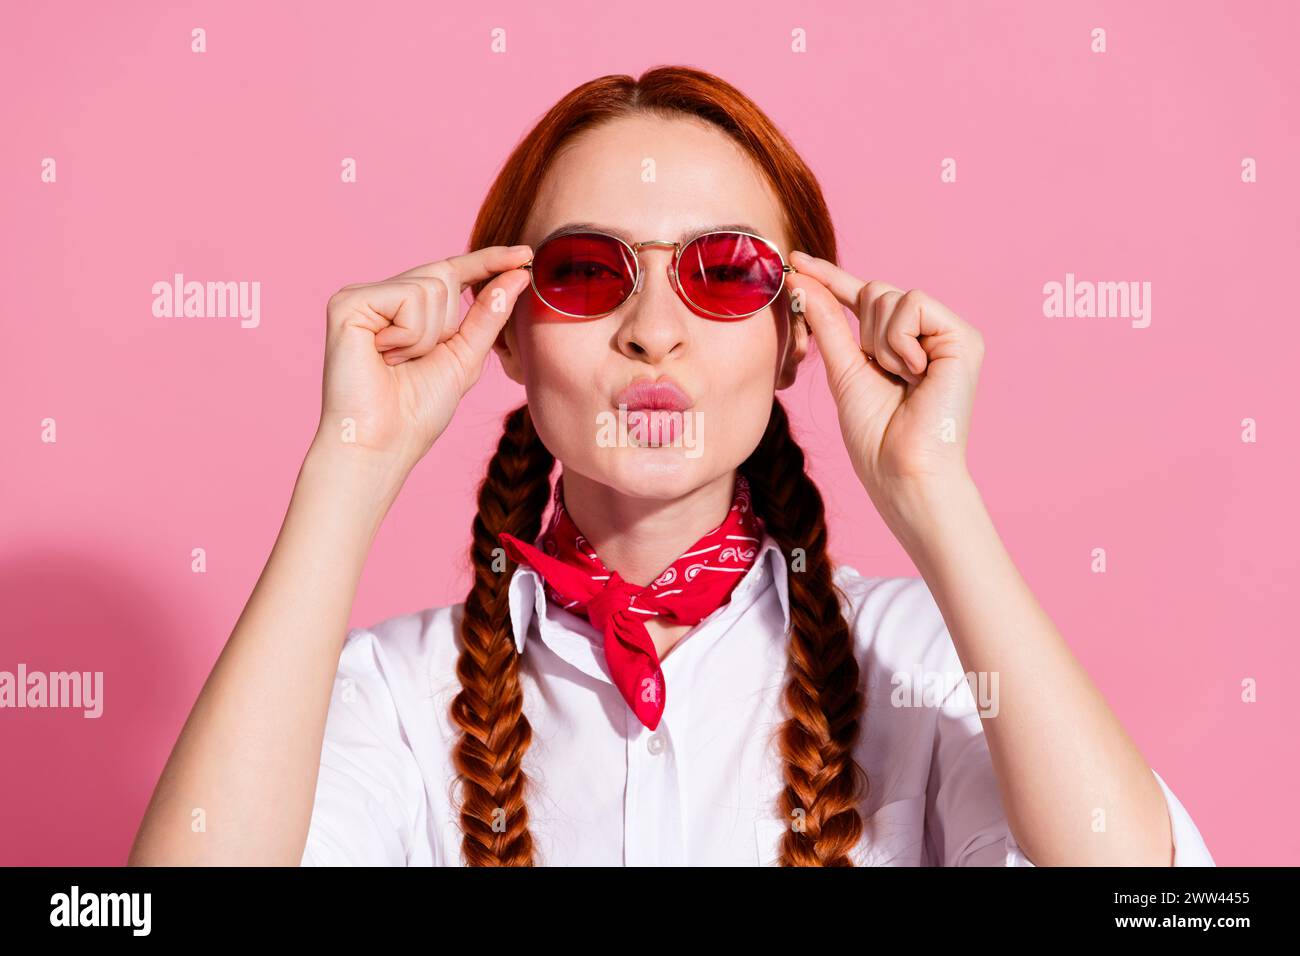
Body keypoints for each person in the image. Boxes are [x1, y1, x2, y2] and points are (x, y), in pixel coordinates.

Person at [129, 66, 1215, 867]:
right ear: (504, 330)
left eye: (726, 271)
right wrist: (348, 465)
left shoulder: (921, 663)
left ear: (799, 333)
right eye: (587, 269)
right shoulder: (392, 696)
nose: (654, 329)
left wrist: (937, 493)